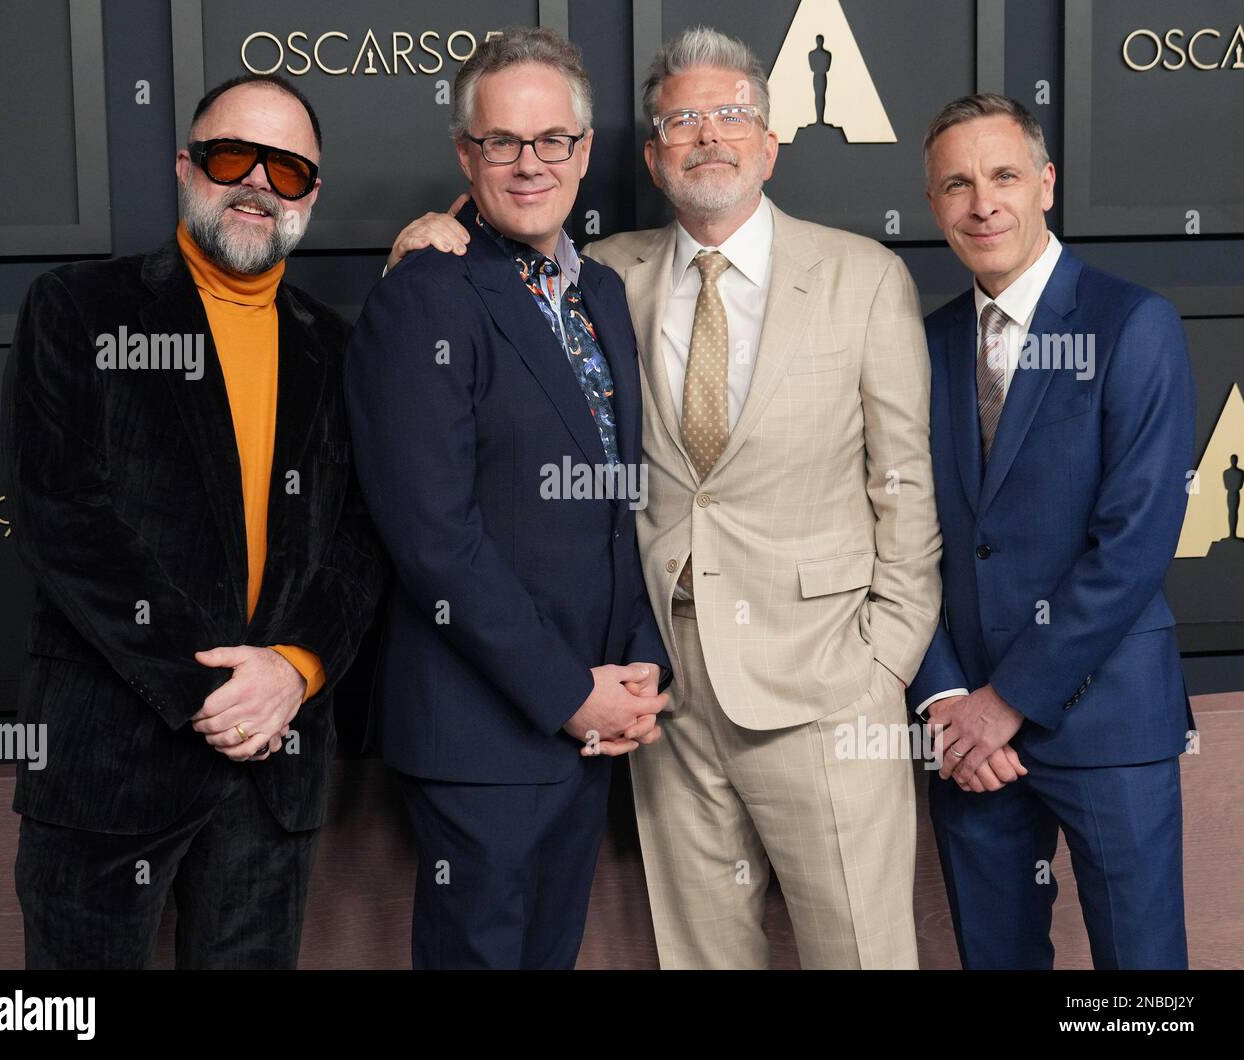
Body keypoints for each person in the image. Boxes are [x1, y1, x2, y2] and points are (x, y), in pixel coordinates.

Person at [383, 26, 941, 969]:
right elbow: (503, 234)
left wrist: (882, 667)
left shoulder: (863, 277)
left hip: (825, 696)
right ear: (649, 154)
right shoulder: (609, 278)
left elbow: (906, 487)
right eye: (683, 119)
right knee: (703, 957)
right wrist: (431, 230)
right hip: (666, 703)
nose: (709, 137)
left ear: (771, 141)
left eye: (733, 115)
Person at [2, 73, 384, 969]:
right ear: (185, 168)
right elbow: (62, 518)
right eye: (231, 157)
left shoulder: (338, 347)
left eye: (288, 170)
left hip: (274, 768)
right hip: (109, 762)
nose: (258, 181)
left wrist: (293, 670)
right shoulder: (79, 308)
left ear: (311, 194)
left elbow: (363, 538)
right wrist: (210, 686)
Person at [343, 27, 670, 970]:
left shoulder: (601, 292)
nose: (530, 165)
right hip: (483, 729)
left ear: (584, 151)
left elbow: (621, 501)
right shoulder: (426, 297)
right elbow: (434, 540)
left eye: (552, 141)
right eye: (502, 143)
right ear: (465, 154)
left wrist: (638, 668)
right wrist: (570, 694)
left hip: (594, 720)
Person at [912, 92, 1196, 969]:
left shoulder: (1131, 323)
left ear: (1046, 183)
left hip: (1105, 717)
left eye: (1002, 176)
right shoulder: (923, 342)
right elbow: (898, 537)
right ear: (933, 205)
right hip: (967, 739)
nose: (981, 202)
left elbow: (1136, 539)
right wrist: (949, 701)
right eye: (955, 184)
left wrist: (1009, 702)